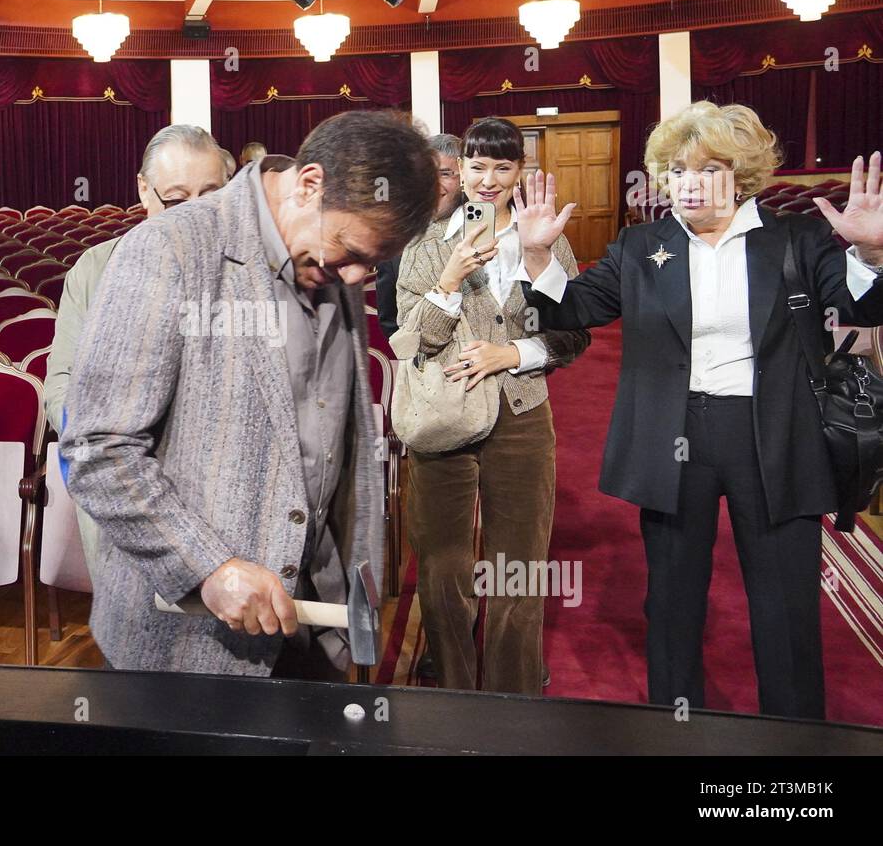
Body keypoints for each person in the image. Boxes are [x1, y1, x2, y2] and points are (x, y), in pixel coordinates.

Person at [517, 99, 883, 719]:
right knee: (673, 597)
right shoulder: (640, 246)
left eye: (707, 169)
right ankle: (674, 725)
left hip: (771, 435)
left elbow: (865, 309)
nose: (688, 183)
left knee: (785, 601)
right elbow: (568, 310)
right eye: (678, 170)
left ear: (740, 176)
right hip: (674, 435)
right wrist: (535, 257)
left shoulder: (796, 240)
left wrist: (871, 254)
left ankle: (793, 737)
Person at [63, 110, 438, 678]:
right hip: (189, 649)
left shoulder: (330, 263)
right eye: (351, 251)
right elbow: (97, 448)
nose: (359, 278)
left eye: (375, 263)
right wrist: (208, 568)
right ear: (309, 184)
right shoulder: (168, 248)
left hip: (315, 634)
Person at [395, 117, 589, 694]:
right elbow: (413, 342)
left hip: (523, 415)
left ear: (519, 173)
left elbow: (573, 337)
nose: (488, 180)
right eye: (477, 167)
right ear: (461, 173)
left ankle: (514, 692)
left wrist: (512, 353)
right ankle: (454, 689)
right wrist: (449, 279)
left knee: (519, 568)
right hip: (445, 415)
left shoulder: (545, 239)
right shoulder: (425, 242)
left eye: (502, 167)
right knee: (444, 567)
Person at [44, 124, 227, 585]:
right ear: (144, 191)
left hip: (223, 501)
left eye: (212, 195)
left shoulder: (261, 275)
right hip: (127, 500)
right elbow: (62, 385)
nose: (196, 214)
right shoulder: (94, 271)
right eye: (177, 199)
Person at [376, 133, 461, 339]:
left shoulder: (485, 229)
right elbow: (390, 319)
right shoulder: (395, 239)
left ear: (464, 176)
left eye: (445, 173)